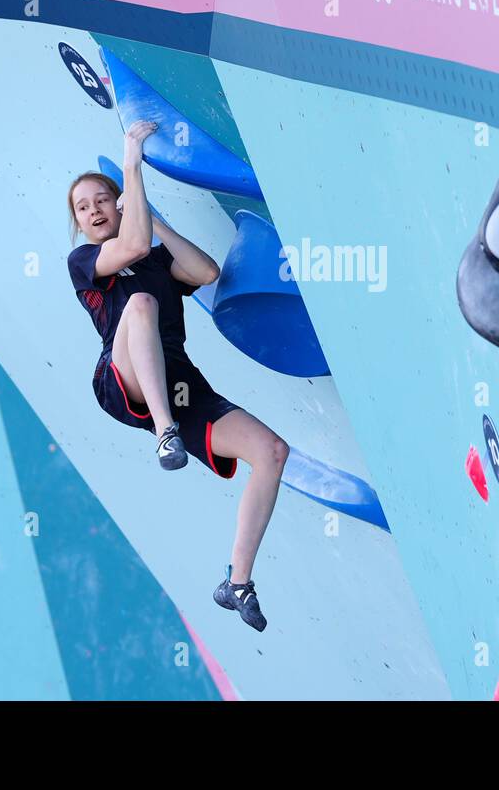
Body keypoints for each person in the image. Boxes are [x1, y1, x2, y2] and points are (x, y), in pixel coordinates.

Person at [66, 121, 287, 632]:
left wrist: (156, 221)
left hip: (181, 382)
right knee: (139, 304)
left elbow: (206, 272)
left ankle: (238, 581)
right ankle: (164, 432)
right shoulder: (85, 262)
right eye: (85, 207)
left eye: (104, 200)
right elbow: (132, 246)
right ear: (79, 224)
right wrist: (130, 159)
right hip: (123, 381)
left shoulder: (154, 257)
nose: (96, 210)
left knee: (272, 452)